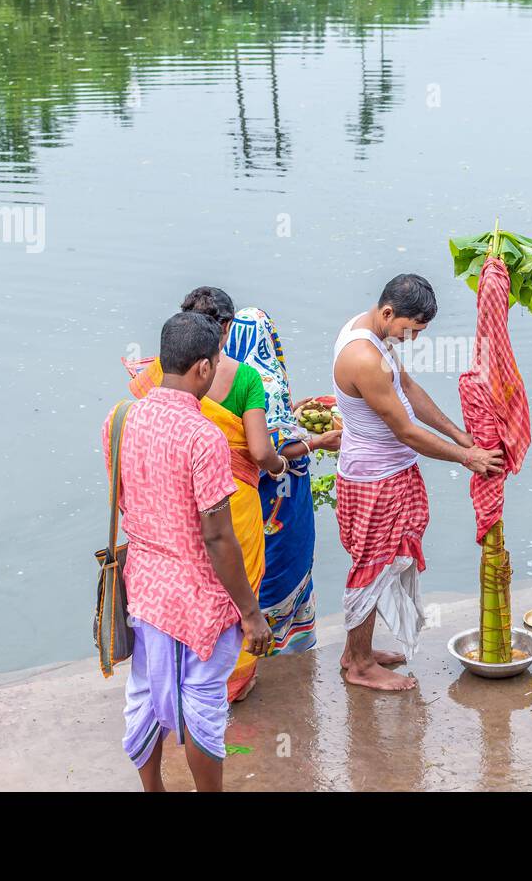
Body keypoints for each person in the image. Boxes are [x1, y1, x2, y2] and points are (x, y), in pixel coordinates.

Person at [124, 288, 339, 701]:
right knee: (230, 586)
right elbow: (260, 452)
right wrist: (285, 462)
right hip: (230, 504)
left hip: (166, 504)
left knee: (182, 585)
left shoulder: (157, 375)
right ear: (225, 328)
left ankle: (174, 679)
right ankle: (231, 684)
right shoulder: (246, 378)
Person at [105, 311, 272, 792]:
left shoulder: (119, 419)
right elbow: (217, 537)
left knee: (144, 693)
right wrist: (250, 612)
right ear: (203, 367)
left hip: (142, 587)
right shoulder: (204, 436)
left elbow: (127, 498)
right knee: (201, 702)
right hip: (198, 598)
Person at [332, 273, 503, 691]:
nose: (410, 340)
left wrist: (459, 434)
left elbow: (406, 386)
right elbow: (405, 430)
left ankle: (358, 651)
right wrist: (468, 457)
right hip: (373, 478)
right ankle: (359, 667)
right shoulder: (363, 358)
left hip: (390, 471)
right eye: (410, 330)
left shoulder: (373, 330)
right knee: (370, 568)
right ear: (389, 313)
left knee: (384, 561)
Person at [224, 306, 336, 656]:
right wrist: (316, 441)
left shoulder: (222, 378)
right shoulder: (263, 379)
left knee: (250, 567)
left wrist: (293, 413)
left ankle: (242, 649)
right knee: (282, 565)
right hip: (279, 502)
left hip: (241, 500)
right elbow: (271, 446)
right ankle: (283, 646)